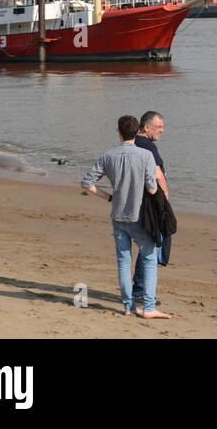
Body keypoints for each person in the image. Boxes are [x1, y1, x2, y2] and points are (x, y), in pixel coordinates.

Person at [80, 115, 171, 319]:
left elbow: (87, 183)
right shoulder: (146, 155)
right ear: (137, 131)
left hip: (118, 214)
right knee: (148, 258)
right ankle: (148, 307)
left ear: (119, 133)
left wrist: (109, 197)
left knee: (123, 261)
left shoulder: (108, 155)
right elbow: (152, 186)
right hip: (140, 215)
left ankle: (128, 307)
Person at [131, 111, 168, 309]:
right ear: (147, 127)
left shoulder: (133, 143)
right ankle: (139, 291)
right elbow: (158, 175)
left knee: (142, 248)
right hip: (149, 205)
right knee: (149, 248)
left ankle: (136, 289)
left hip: (134, 203)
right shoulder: (148, 146)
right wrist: (165, 203)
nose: (162, 131)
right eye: (159, 127)